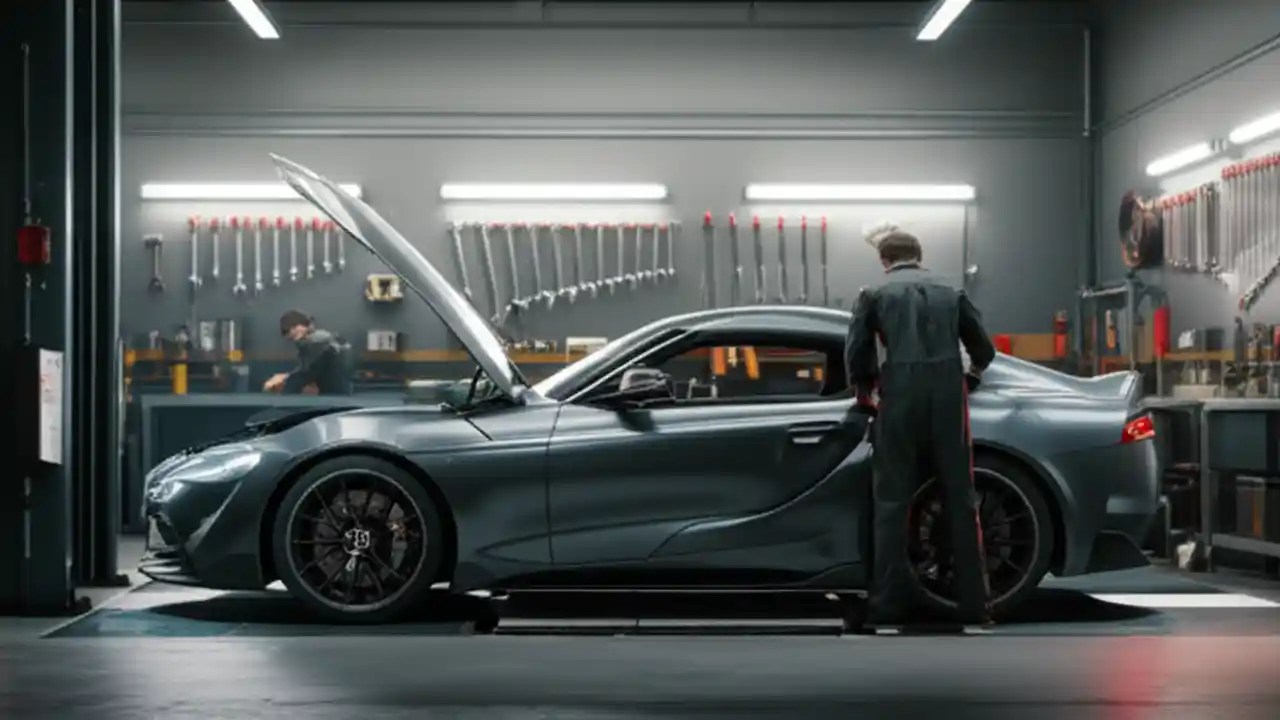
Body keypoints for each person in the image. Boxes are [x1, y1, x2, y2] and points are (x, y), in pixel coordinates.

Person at [845, 225, 997, 630]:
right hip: (948, 397)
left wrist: (865, 394)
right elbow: (984, 350)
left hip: (899, 396)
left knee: (891, 504)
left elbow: (858, 354)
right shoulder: (952, 292)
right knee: (961, 500)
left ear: (885, 260)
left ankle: (887, 607)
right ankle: (975, 606)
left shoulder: (873, 294)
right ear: (920, 255)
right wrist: (971, 377)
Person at [263, 310, 354, 395]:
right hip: (336, 395)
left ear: (305, 325)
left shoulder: (318, 343)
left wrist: (283, 385)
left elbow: (306, 372)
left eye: (294, 327)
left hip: (334, 397)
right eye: (289, 330)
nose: (293, 331)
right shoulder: (324, 341)